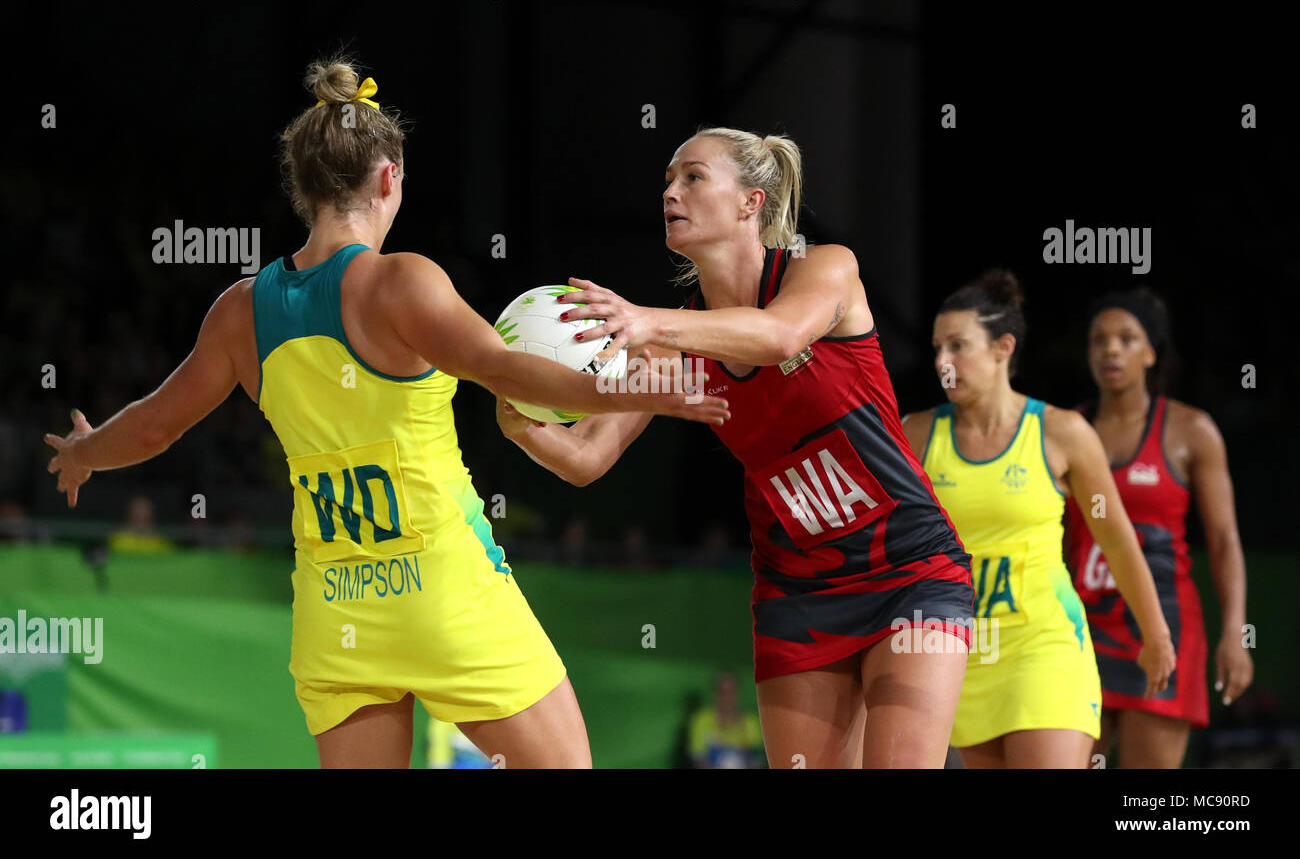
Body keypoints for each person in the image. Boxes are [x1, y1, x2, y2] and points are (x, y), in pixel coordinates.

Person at [42, 57, 727, 769]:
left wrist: (85, 451)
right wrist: (642, 392)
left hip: (337, 610)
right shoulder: (400, 282)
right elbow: (507, 370)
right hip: (445, 593)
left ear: (302, 187)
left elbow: (156, 423)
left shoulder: (240, 311)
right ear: (389, 178)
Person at [498, 126, 974, 768]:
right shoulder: (675, 345)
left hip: (909, 569)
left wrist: (647, 322)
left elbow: (779, 336)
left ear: (751, 202)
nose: (671, 191)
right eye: (668, 179)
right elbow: (586, 457)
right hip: (797, 591)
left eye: (693, 177)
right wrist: (520, 419)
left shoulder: (825, 268)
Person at [900, 269, 1176, 768]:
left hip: (1044, 647)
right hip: (965, 656)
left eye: (959, 346)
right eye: (938, 348)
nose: (943, 362)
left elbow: (1116, 540)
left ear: (1004, 347)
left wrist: (1154, 633)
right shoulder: (918, 434)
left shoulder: (1062, 432)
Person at [1064, 288, 1253, 767]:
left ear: (1151, 353)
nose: (1110, 349)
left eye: (1127, 339)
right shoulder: (1063, 429)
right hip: (1077, 630)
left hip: (1163, 630)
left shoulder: (1192, 431)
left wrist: (1235, 631)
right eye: (1098, 340)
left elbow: (1225, 540)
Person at [687, 671, 764, 768]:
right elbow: (697, 759)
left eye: (731, 691)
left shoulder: (752, 723)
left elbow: (757, 759)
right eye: (722, 692)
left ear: (738, 693)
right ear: (714, 694)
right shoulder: (701, 720)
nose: (727, 697)